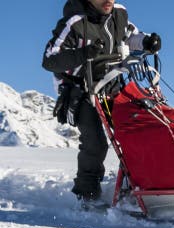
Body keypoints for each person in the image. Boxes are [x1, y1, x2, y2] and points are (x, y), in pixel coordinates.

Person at [42, 0, 161, 207]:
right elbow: (50, 60)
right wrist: (84, 54)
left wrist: (146, 42)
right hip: (80, 89)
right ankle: (87, 196)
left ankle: (139, 186)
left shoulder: (119, 13)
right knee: (96, 143)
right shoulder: (75, 22)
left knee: (138, 130)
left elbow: (130, 36)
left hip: (112, 84)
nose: (108, 1)